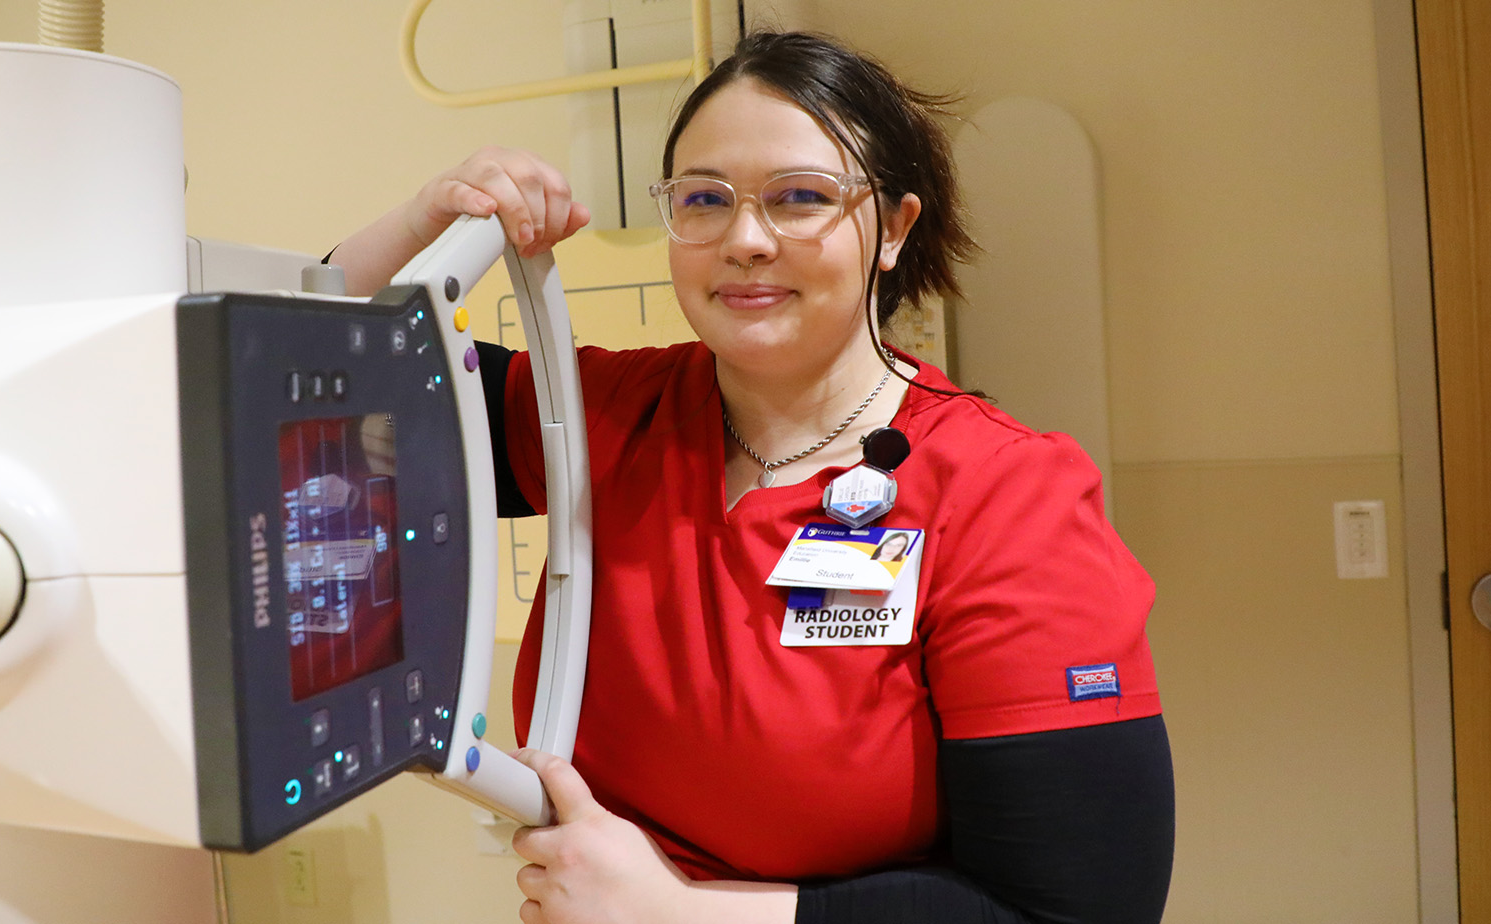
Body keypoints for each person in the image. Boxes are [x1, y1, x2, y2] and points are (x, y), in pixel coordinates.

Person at [329, 30, 1173, 924]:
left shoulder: (1009, 498)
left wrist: (676, 914)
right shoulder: (602, 418)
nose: (745, 239)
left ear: (893, 229)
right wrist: (427, 220)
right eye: (704, 199)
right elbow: (303, 387)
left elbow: (1078, 910)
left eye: (800, 197)